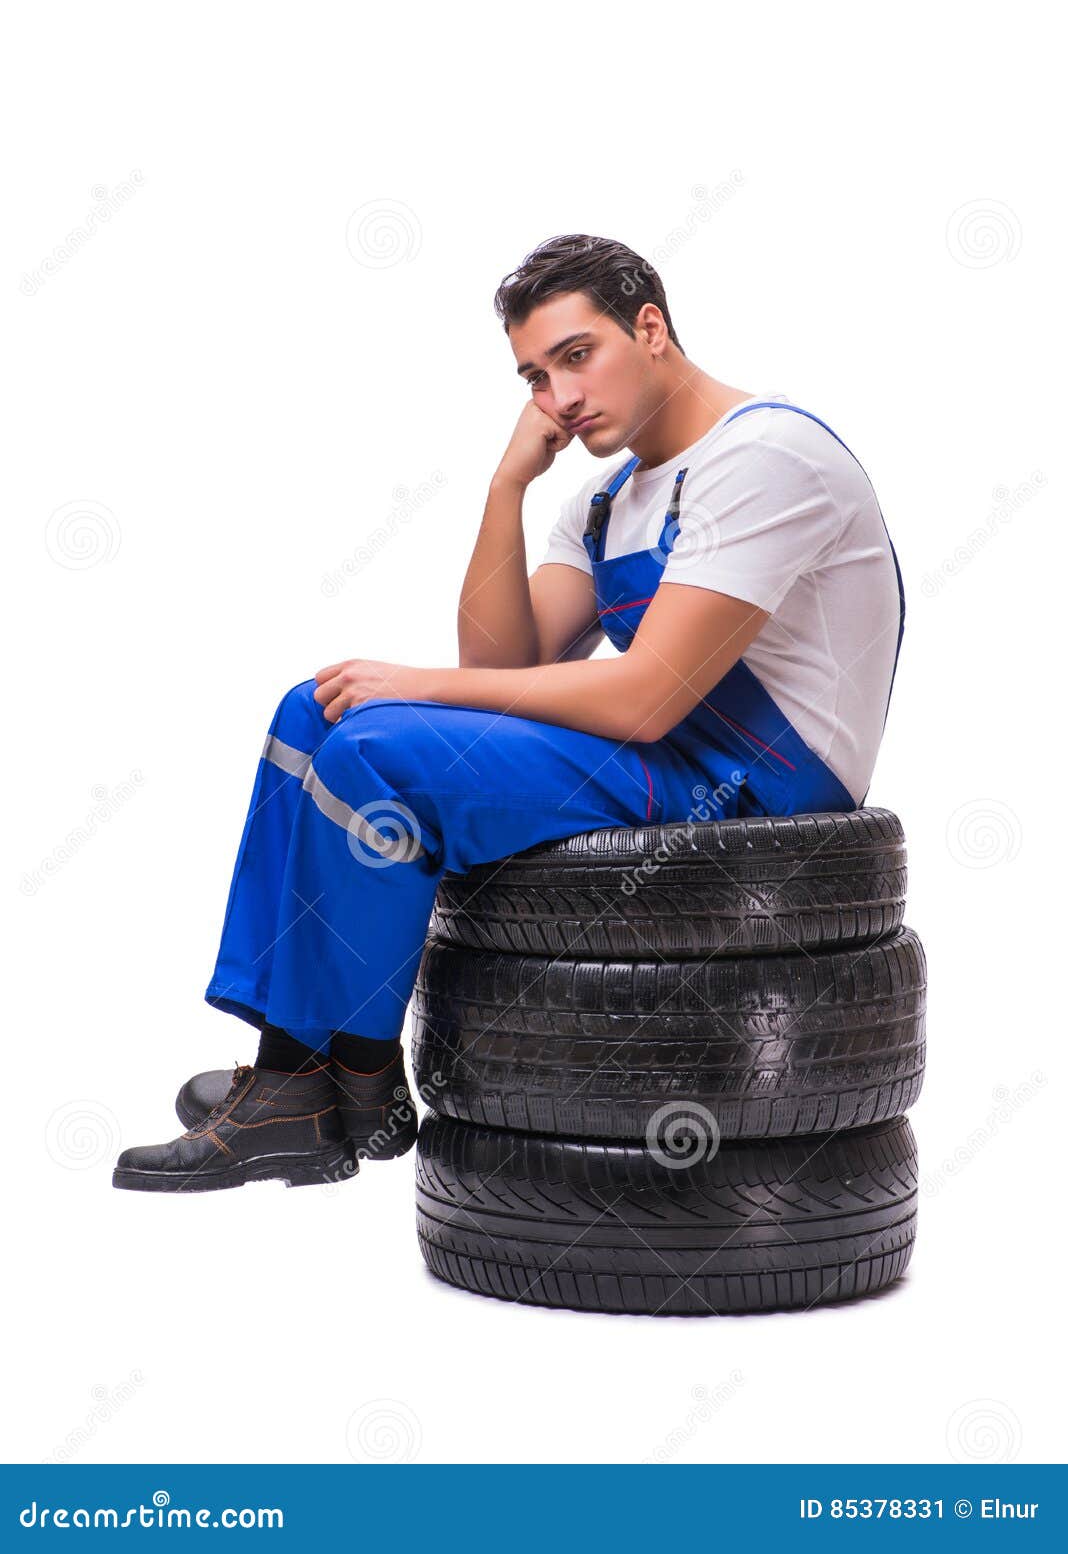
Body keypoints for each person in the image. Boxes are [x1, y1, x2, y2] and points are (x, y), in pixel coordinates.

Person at [112, 233, 904, 1194]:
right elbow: (504, 667)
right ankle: (314, 1074)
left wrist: (417, 686)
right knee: (311, 712)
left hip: (755, 789)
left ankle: (329, 1083)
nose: (560, 398)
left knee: (380, 751)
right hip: (654, 752)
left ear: (649, 328)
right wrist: (508, 485)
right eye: (536, 375)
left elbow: (648, 695)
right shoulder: (608, 500)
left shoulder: (766, 457)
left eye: (578, 356)